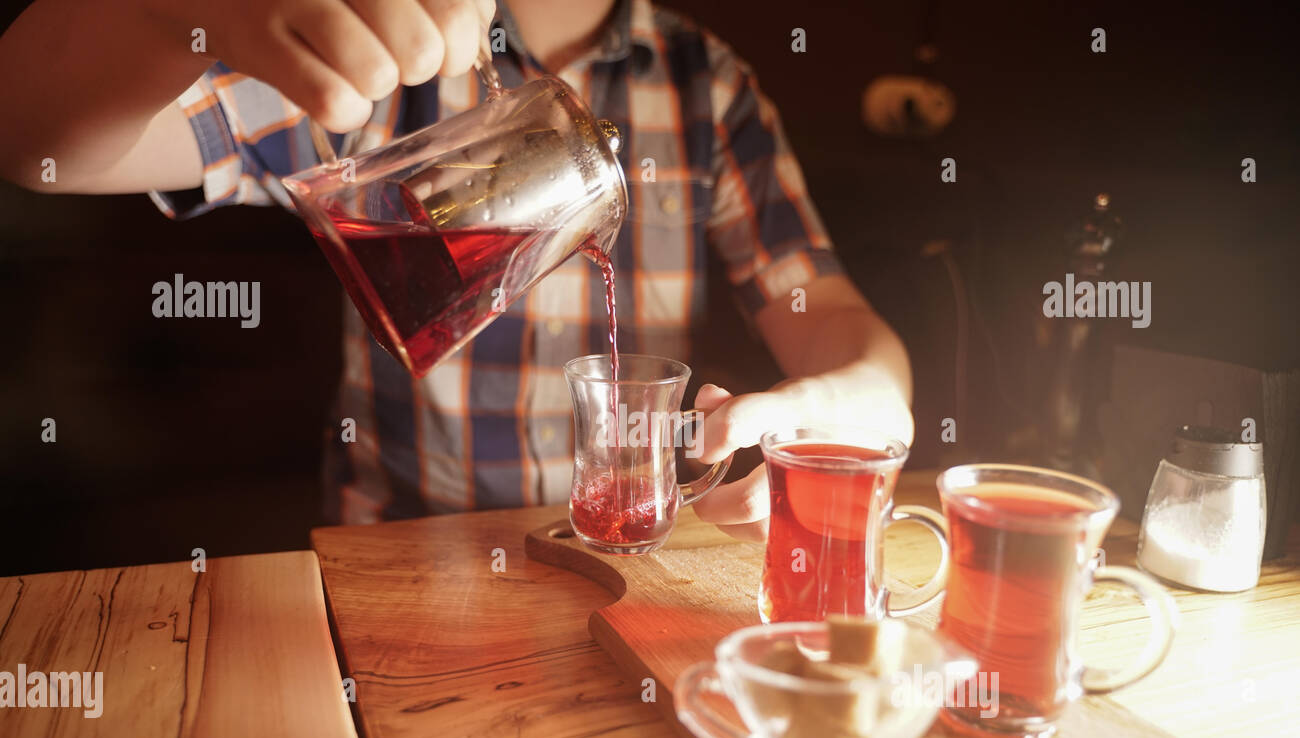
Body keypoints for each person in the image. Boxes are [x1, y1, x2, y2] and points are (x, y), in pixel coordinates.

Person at [0, 0, 915, 542]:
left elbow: (827, 310)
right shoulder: (371, 50)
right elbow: (32, 141)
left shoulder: (706, 85)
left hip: (625, 573)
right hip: (401, 568)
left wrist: (857, 393)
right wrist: (182, 13)